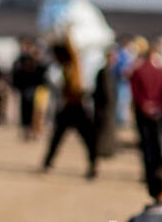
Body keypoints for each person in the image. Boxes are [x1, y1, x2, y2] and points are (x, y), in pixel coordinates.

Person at [43, 40, 97, 178]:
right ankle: (47, 163)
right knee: (58, 137)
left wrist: (67, 34)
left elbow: (73, 53)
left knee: (86, 139)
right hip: (68, 107)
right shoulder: (64, 68)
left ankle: (92, 166)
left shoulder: (73, 66)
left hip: (76, 107)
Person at [130, 42, 162, 184]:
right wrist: (159, 106)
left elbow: (135, 92)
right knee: (157, 143)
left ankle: (148, 172)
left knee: (146, 143)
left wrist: (144, 104)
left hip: (143, 112)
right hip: (158, 112)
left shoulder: (139, 70)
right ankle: (157, 172)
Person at [11, 38, 47, 142]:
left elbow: (43, 73)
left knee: (38, 111)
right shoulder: (20, 61)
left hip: (38, 88)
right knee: (25, 110)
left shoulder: (37, 59)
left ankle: (36, 130)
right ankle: (27, 129)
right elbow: (15, 74)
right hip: (24, 88)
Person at [93, 46, 119, 159]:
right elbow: (107, 91)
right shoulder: (105, 72)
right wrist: (111, 103)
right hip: (105, 107)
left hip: (106, 106)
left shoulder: (108, 71)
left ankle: (106, 149)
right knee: (104, 129)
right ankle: (103, 150)